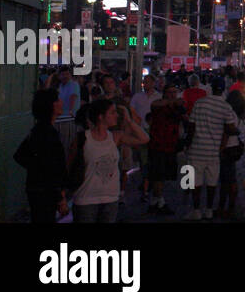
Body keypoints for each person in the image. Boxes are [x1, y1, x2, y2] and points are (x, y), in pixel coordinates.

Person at [68, 98, 148, 222]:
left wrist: (129, 120)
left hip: (110, 198)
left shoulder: (115, 136)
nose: (116, 115)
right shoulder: (83, 138)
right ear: (101, 116)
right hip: (86, 198)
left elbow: (144, 139)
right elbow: (69, 164)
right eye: (112, 112)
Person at [184, 78, 239, 220]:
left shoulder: (200, 103)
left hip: (196, 149)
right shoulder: (225, 107)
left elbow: (191, 127)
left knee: (195, 182)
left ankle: (196, 210)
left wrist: (187, 145)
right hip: (214, 151)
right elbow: (231, 128)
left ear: (211, 88)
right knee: (212, 182)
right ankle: (209, 209)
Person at [15, 89, 69, 223]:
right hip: (46, 191)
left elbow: (20, 155)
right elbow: (53, 167)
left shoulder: (38, 130)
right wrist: (59, 196)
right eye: (57, 100)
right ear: (50, 105)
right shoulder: (48, 133)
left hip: (36, 188)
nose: (61, 102)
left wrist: (35, 169)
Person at [145, 84, 185, 215]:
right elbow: (155, 105)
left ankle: (156, 200)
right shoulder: (159, 104)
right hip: (158, 144)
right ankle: (159, 201)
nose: (173, 95)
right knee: (158, 174)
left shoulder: (176, 107)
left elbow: (183, 120)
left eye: (175, 92)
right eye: (170, 92)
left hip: (170, 144)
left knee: (164, 175)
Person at [218, 90, 245, 221]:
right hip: (234, 148)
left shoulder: (229, 113)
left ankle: (228, 208)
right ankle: (227, 207)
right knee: (229, 179)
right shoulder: (238, 114)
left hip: (228, 149)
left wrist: (221, 148)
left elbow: (226, 132)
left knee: (227, 180)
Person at [129, 73, 160, 201]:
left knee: (153, 158)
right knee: (143, 159)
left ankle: (149, 183)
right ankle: (146, 181)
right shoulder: (137, 97)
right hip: (141, 131)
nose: (145, 83)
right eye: (144, 81)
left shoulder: (158, 97)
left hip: (155, 132)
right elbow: (132, 110)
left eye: (148, 81)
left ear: (153, 83)